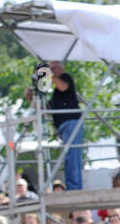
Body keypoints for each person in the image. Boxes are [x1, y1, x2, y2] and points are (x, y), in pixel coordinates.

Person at [36, 61, 84, 191]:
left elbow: (63, 86)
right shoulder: (56, 94)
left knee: (72, 157)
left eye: (54, 68)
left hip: (71, 123)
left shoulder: (65, 78)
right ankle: (74, 187)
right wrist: (32, 98)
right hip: (66, 126)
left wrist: (48, 74)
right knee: (70, 157)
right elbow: (45, 109)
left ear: (61, 68)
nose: (52, 70)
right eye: (50, 68)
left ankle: (74, 188)